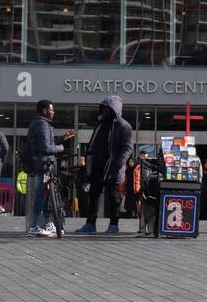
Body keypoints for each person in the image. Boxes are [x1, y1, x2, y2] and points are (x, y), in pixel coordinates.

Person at [78, 96, 132, 235]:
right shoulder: (100, 123)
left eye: (108, 108)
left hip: (113, 166)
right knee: (93, 195)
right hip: (97, 165)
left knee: (113, 197)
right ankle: (90, 224)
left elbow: (127, 148)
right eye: (104, 108)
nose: (105, 110)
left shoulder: (124, 126)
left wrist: (119, 164)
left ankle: (114, 225)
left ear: (115, 109)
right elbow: (93, 142)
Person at [25, 99, 73, 236]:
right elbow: (46, 147)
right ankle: (34, 226)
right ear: (45, 111)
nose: (53, 112)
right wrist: (60, 148)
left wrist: (63, 138)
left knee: (46, 196)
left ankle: (48, 224)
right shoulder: (42, 124)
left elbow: (47, 142)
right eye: (51, 109)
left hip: (44, 164)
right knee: (41, 196)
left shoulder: (41, 124)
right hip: (44, 165)